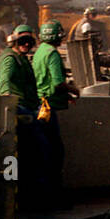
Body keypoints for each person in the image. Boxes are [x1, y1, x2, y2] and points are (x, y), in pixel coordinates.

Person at [32, 20, 76, 207]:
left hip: (39, 105)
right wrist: (74, 90)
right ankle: (52, 197)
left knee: (44, 151)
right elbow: (58, 82)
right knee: (55, 152)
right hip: (48, 108)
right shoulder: (53, 54)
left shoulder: (40, 51)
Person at [0, 24, 41, 206]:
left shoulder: (20, 58)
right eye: (22, 41)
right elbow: (5, 83)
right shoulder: (10, 59)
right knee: (27, 155)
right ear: (14, 41)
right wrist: (10, 108)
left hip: (27, 111)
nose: (26, 45)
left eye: (29, 42)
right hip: (19, 112)